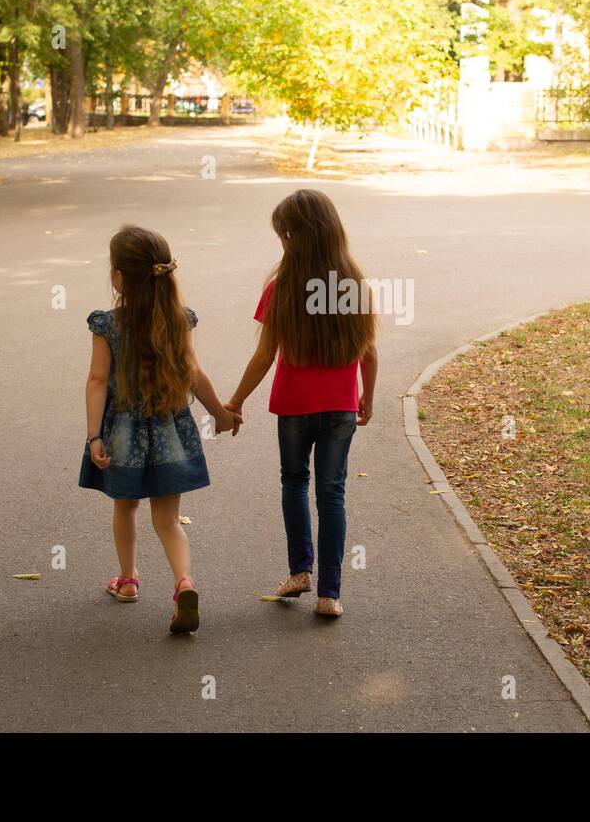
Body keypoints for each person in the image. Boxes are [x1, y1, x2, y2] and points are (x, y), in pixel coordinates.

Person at [80, 225, 239, 633]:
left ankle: (129, 580)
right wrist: (220, 413)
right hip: (172, 432)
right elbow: (193, 373)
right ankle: (184, 582)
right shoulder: (178, 321)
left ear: (119, 277)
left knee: (125, 506)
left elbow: (98, 381)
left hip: (122, 434)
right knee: (168, 520)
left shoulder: (108, 325)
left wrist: (95, 435)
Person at [226, 190, 378, 619]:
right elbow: (368, 351)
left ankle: (299, 572)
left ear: (293, 238)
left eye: (284, 236)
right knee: (332, 493)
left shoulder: (282, 289)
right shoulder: (351, 284)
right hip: (340, 409)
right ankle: (330, 594)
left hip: (294, 408)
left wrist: (235, 401)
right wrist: (368, 394)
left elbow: (264, 356)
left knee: (294, 482)